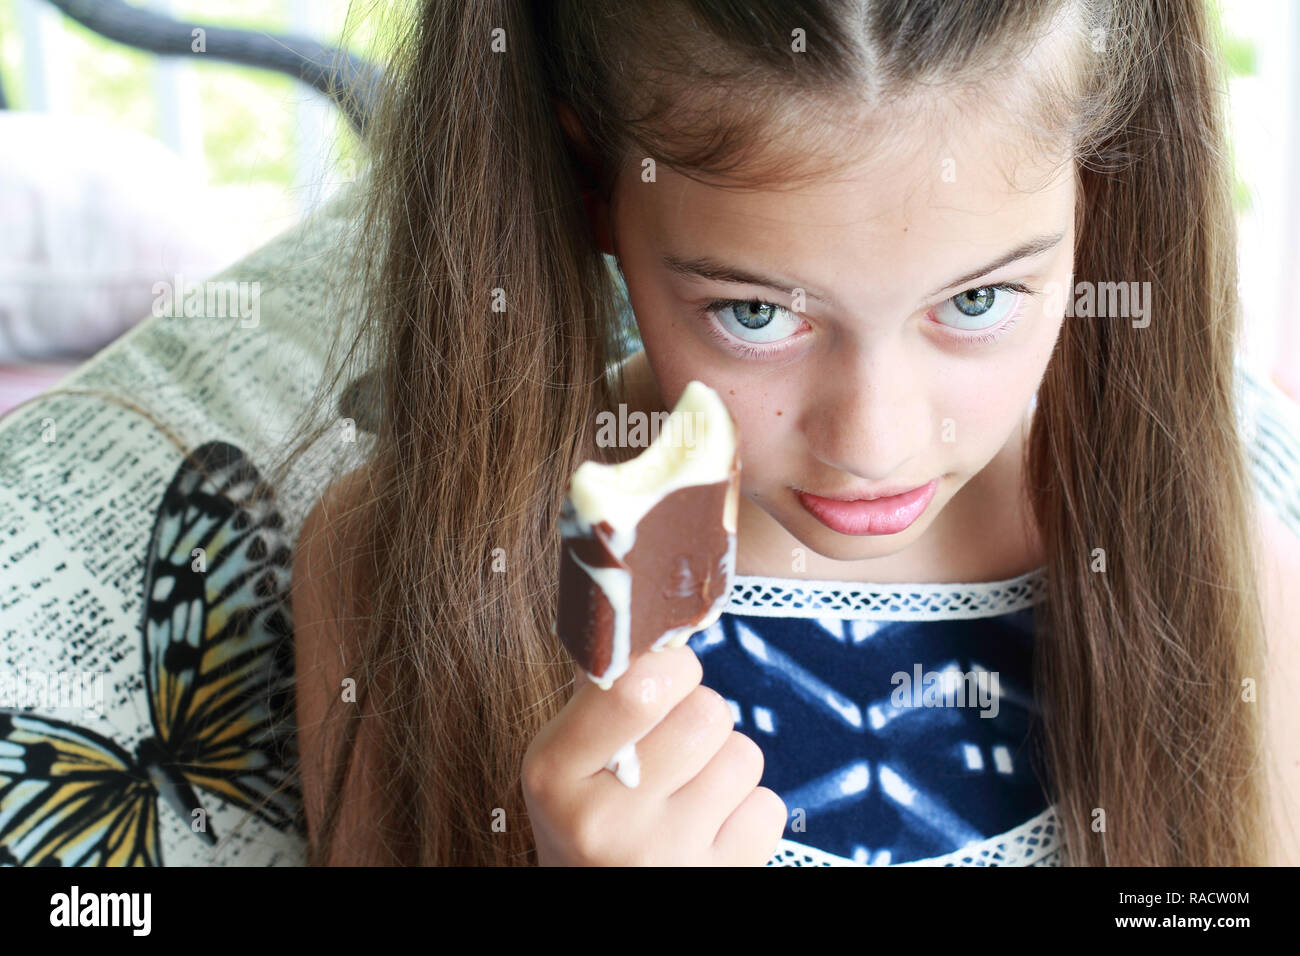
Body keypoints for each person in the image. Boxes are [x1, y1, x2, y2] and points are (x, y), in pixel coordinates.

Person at [278, 0, 1300, 866]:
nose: (873, 441)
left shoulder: (1226, 589)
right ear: (591, 184)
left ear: (1099, 189)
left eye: (980, 299)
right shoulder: (407, 568)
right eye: (756, 314)